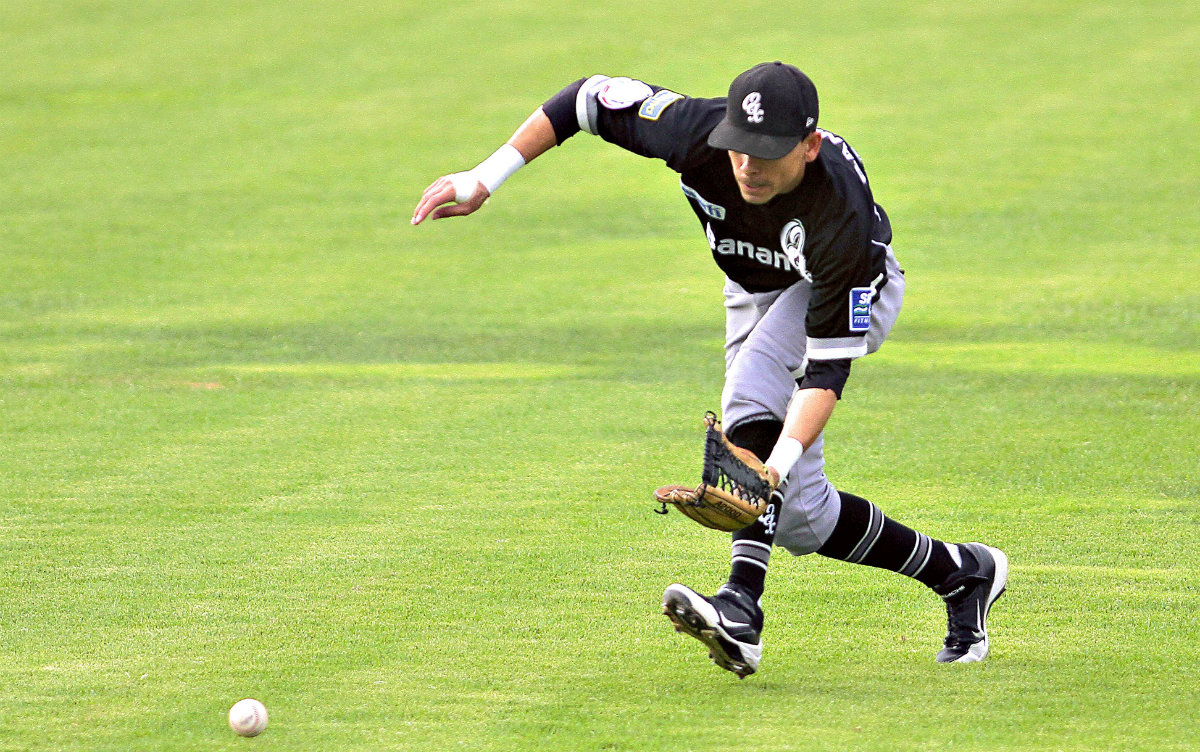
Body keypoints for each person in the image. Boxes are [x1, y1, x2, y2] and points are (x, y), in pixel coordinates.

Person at [412, 62, 1008, 677]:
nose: (748, 165)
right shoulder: (694, 131)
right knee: (801, 518)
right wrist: (486, 177)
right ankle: (962, 573)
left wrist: (769, 468)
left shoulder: (840, 216)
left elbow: (824, 376)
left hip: (846, 290)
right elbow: (584, 101)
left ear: (810, 144)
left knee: (751, 401)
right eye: (739, 149)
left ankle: (741, 608)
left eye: (769, 153)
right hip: (754, 288)